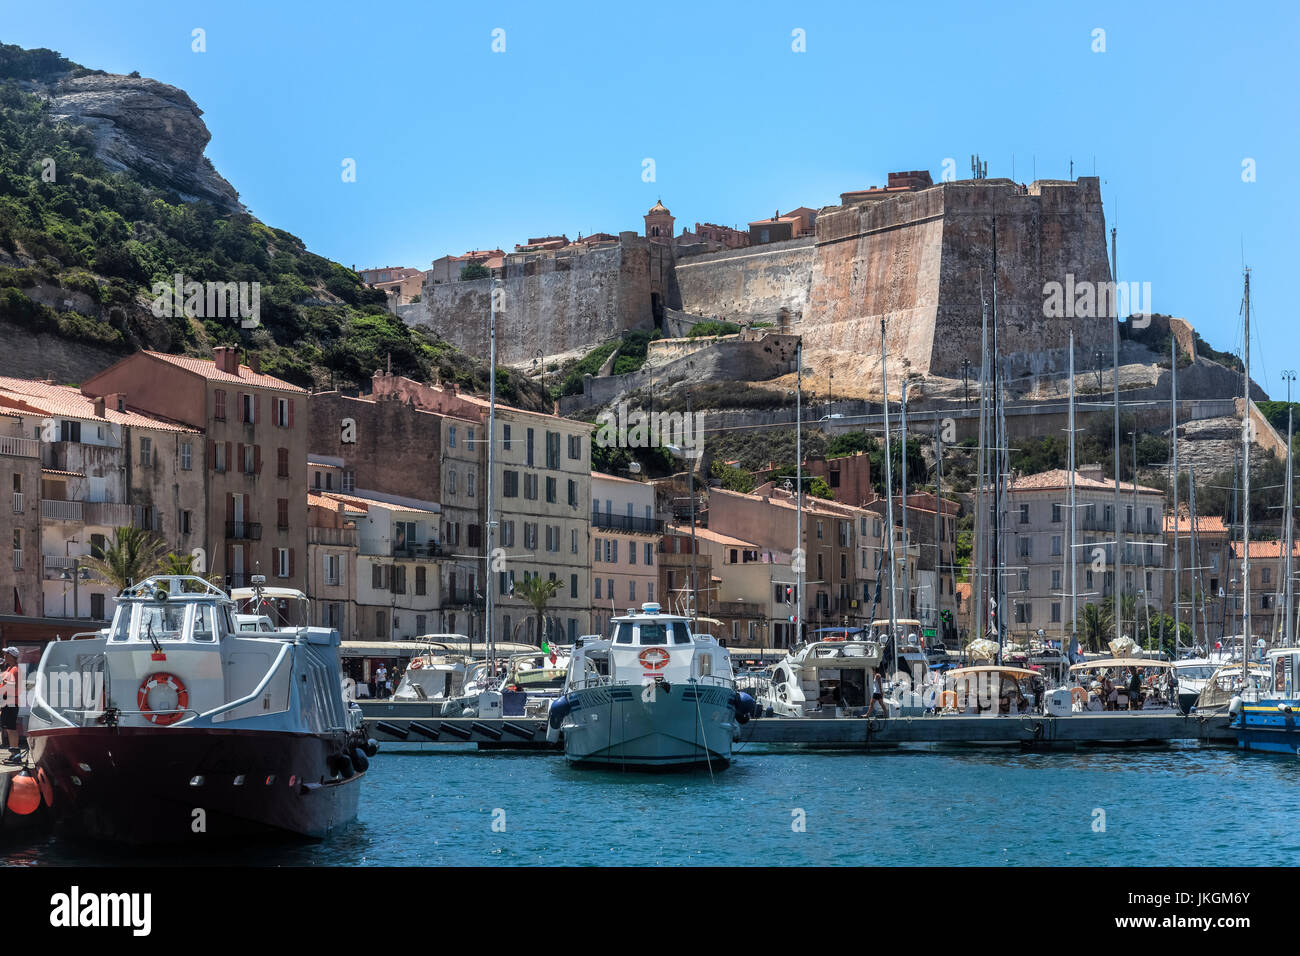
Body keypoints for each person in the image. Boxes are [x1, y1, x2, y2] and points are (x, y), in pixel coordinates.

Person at [1, 648, 20, 763]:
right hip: (7, 701)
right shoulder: (9, 668)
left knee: (11, 729)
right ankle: (14, 754)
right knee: (9, 728)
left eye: (6, 653)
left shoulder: (15, 670)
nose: (4, 655)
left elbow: (14, 686)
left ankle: (16, 755)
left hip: (11, 701)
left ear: (11, 656)